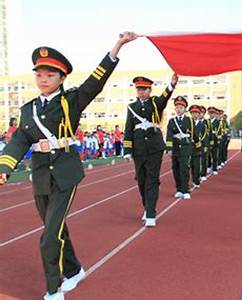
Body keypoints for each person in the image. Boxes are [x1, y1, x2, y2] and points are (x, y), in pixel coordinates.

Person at [0, 32, 137, 300]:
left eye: (50, 75)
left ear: (62, 78)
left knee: (49, 236)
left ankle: (54, 289)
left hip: (65, 173)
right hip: (40, 175)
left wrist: (117, 47)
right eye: (39, 74)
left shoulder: (71, 101)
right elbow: (18, 141)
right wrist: (4, 168)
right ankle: (74, 270)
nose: (43, 79)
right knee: (56, 229)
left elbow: (96, 81)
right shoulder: (28, 110)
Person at [123, 74, 178, 227]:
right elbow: (128, 129)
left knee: (152, 180)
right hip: (138, 148)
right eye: (139, 89)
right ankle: (147, 206)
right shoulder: (131, 107)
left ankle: (151, 212)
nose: (141, 92)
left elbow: (164, 98)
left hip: (154, 147)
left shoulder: (155, 103)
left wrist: (171, 85)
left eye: (144, 89)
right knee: (141, 180)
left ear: (150, 89)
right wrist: (127, 149)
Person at [166, 96, 197, 200]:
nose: (179, 109)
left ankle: (186, 190)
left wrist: (197, 146)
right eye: (177, 107)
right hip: (175, 148)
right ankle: (179, 189)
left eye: (181, 107)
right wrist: (169, 148)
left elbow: (194, 135)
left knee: (184, 169)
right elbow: (169, 135)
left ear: (185, 109)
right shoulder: (171, 121)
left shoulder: (190, 120)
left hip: (186, 148)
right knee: (176, 169)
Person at [189, 105, 204, 188]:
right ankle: (193, 179)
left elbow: (204, 135)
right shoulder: (188, 122)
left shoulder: (202, 124)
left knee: (197, 165)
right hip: (189, 147)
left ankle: (196, 180)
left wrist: (203, 145)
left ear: (199, 114)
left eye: (196, 113)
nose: (194, 115)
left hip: (198, 147)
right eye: (193, 113)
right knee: (190, 165)